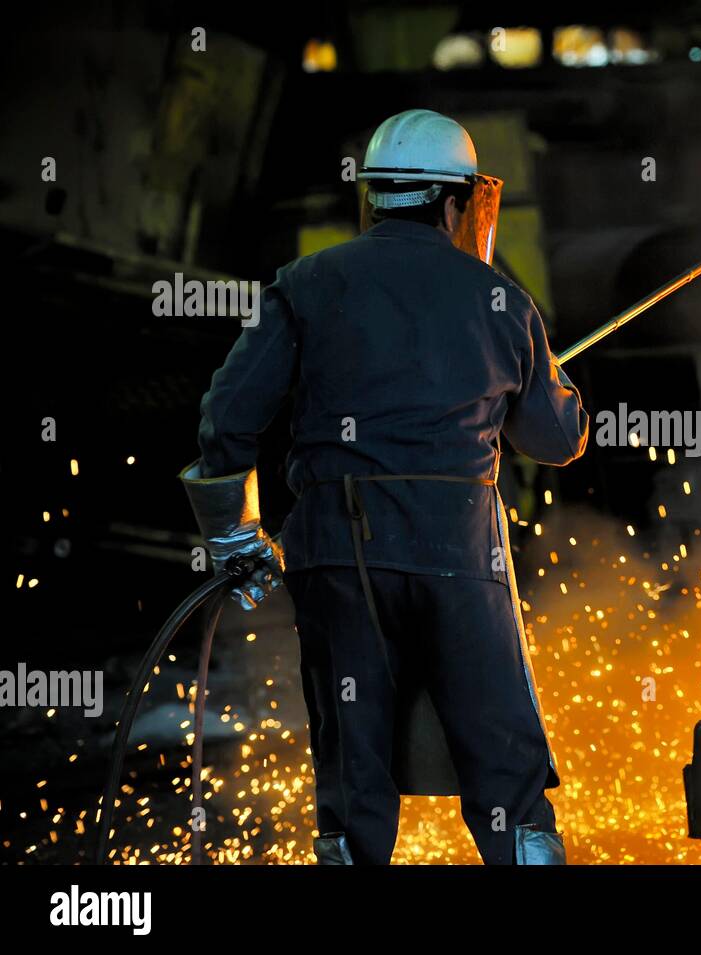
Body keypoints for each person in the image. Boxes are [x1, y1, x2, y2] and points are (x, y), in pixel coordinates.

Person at [179, 109, 588, 865]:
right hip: (460, 557)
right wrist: (548, 378)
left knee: (353, 763)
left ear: (374, 198)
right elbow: (556, 442)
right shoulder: (497, 297)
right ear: (458, 201)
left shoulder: (304, 284)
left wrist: (234, 533)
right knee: (503, 760)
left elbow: (228, 416)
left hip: (337, 556)